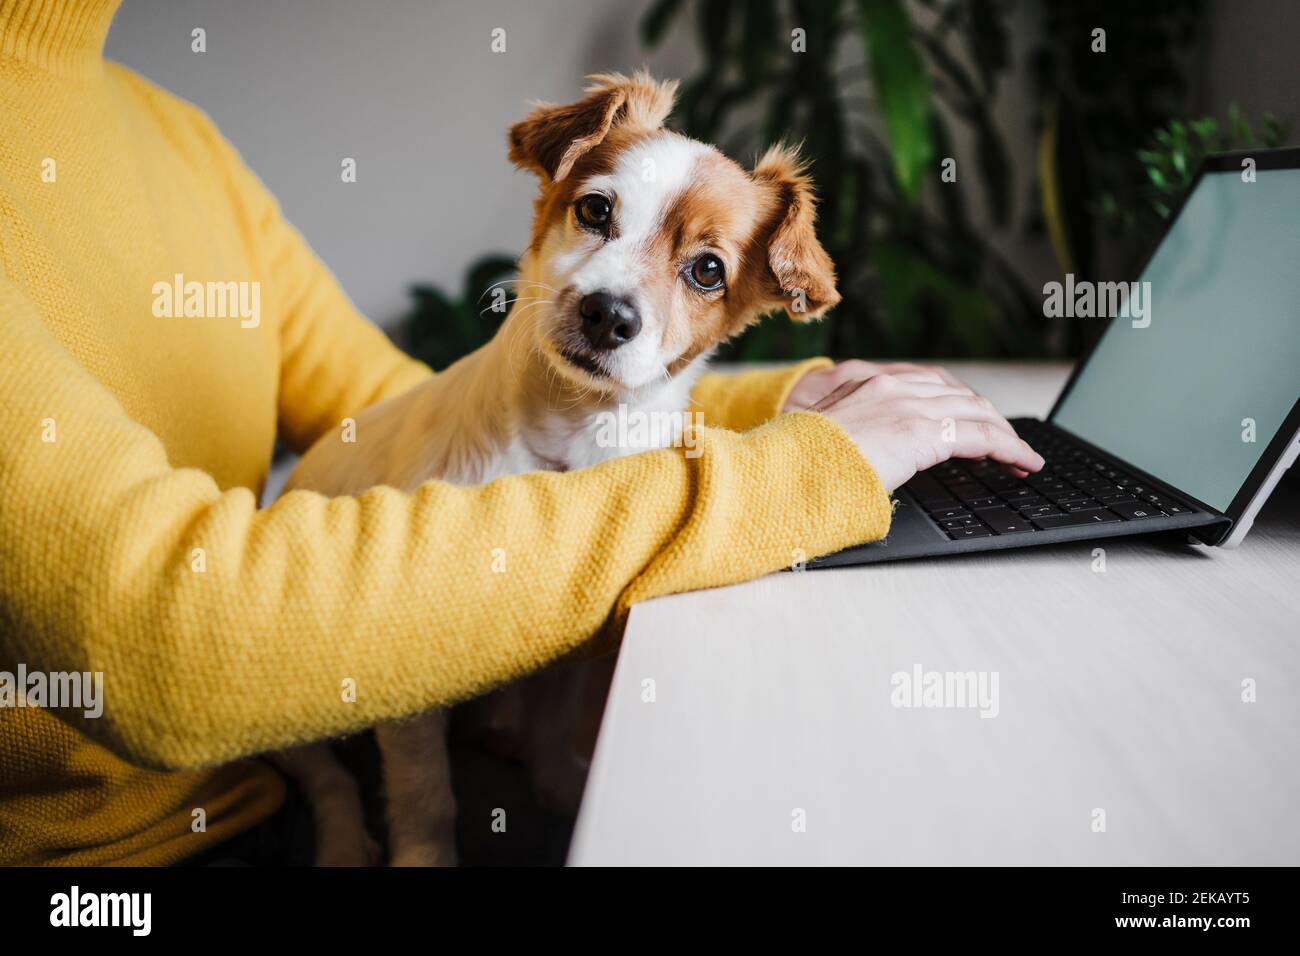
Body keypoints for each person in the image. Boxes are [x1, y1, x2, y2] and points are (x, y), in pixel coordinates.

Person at [0, 0, 1042, 865]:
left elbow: (390, 393)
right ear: (553, 200)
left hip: (412, 745)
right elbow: (156, 643)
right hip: (134, 849)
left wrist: (818, 400)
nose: (615, 298)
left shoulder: (181, 141)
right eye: (597, 214)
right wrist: (797, 474)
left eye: (704, 271)